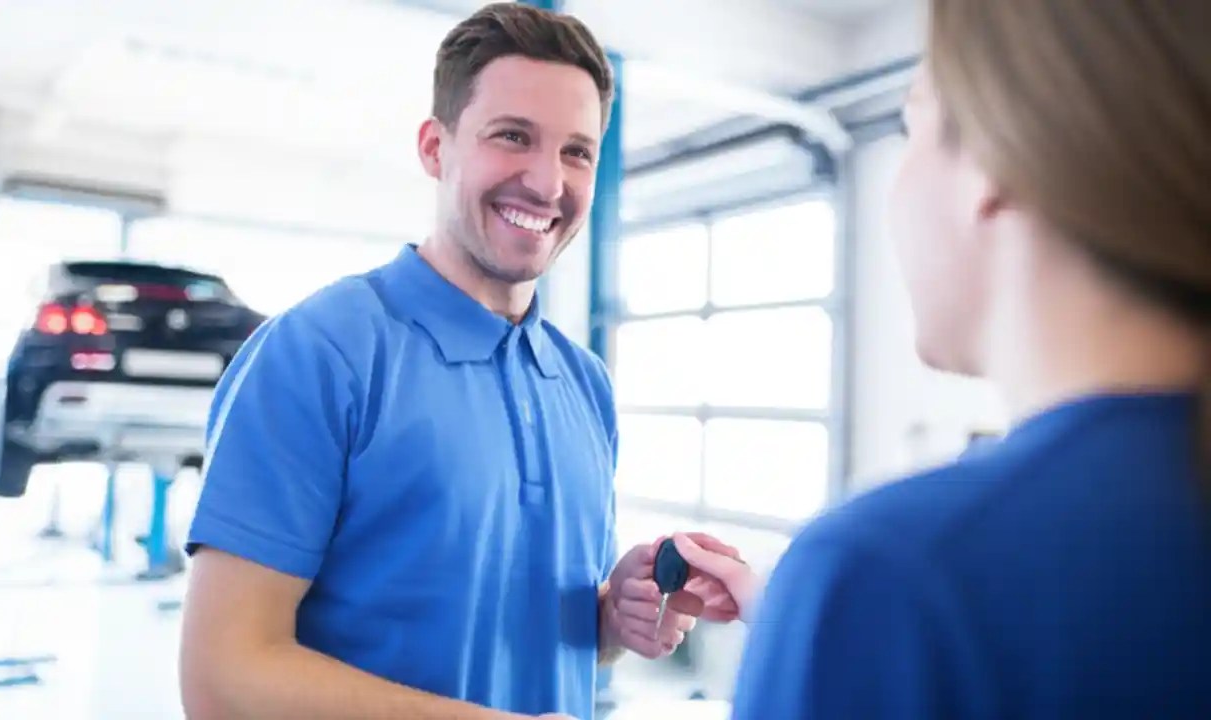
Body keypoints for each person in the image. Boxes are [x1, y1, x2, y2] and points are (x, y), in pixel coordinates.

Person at [177, 4, 742, 720]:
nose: (546, 182)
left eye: (577, 151)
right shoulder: (318, 353)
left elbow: (539, 629)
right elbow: (222, 679)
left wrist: (615, 615)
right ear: (435, 148)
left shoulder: (583, 383)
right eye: (513, 137)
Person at [677, 1, 1211, 718]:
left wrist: (848, 615)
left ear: (993, 160)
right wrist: (809, 622)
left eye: (912, 126)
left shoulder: (891, 571)